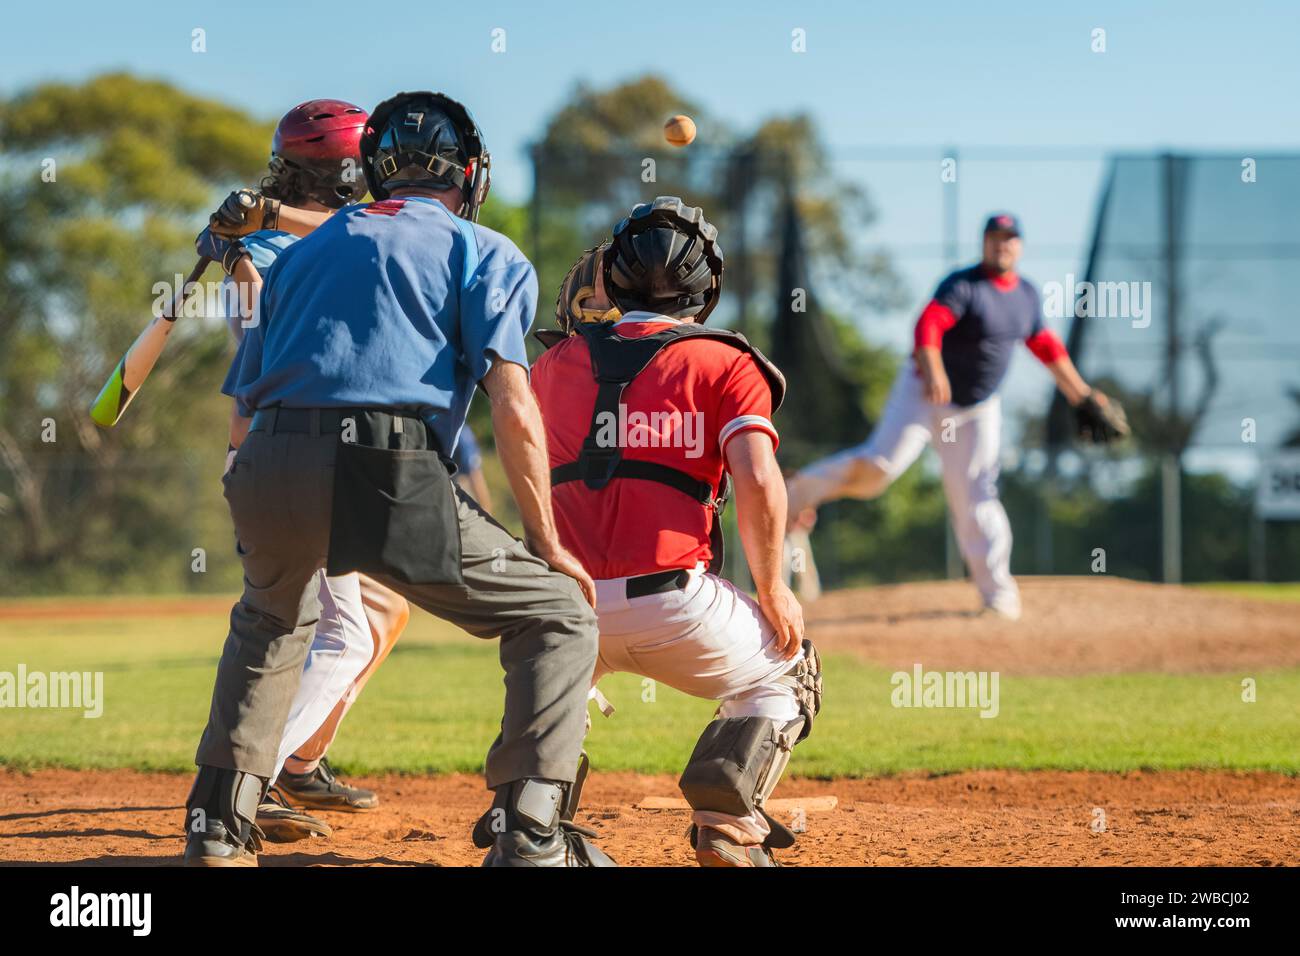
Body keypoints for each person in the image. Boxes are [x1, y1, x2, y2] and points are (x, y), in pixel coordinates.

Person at [184, 89, 609, 868]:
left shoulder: (298, 254)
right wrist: (547, 541)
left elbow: (244, 409)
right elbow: (513, 405)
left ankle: (216, 827)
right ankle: (531, 833)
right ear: (472, 177)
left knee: (271, 621)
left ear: (374, 176)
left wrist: (253, 498)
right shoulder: (486, 252)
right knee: (556, 615)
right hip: (387, 465)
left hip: (267, 459)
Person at [530, 199, 822, 867]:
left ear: (613, 278)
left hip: (567, 605)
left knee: (549, 695)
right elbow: (757, 478)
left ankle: (533, 825)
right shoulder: (726, 362)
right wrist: (773, 586)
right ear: (707, 288)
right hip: (677, 605)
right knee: (790, 667)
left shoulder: (549, 367)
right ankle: (725, 818)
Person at [196, 100, 406, 843]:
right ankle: (256, 779)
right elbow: (358, 238)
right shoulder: (280, 251)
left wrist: (250, 229)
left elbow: (359, 230)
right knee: (335, 630)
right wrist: (243, 246)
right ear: (346, 177)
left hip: (292, 451)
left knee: (379, 612)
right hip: (292, 449)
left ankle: (299, 761)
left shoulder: (282, 236)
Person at [785, 214, 1118, 620]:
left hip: (977, 408)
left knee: (977, 496)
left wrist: (1080, 393)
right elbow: (928, 324)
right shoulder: (964, 285)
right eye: (995, 238)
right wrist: (935, 367)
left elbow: (1044, 344)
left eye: (1010, 239)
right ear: (984, 243)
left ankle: (998, 597)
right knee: (879, 468)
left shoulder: (1026, 295)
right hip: (924, 391)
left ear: (1020, 246)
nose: (1002, 245)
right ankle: (795, 494)